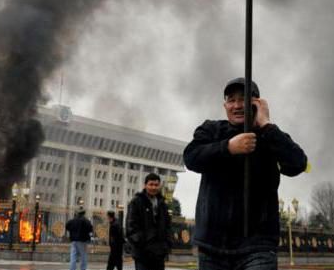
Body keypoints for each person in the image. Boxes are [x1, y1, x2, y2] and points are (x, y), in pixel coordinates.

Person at [184, 77, 308, 270]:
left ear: (257, 103)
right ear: (225, 105)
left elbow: (297, 164)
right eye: (231, 100)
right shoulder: (211, 130)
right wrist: (228, 147)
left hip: (257, 246)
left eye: (243, 99)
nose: (237, 105)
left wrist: (266, 124)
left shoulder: (270, 135)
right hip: (213, 245)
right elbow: (191, 157)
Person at [126, 173, 172, 270]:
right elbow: (131, 227)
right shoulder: (136, 202)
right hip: (143, 253)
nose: (153, 187)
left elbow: (167, 226)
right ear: (145, 185)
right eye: (151, 184)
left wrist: (166, 245)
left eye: (156, 185)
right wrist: (142, 243)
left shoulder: (162, 204)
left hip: (159, 253)